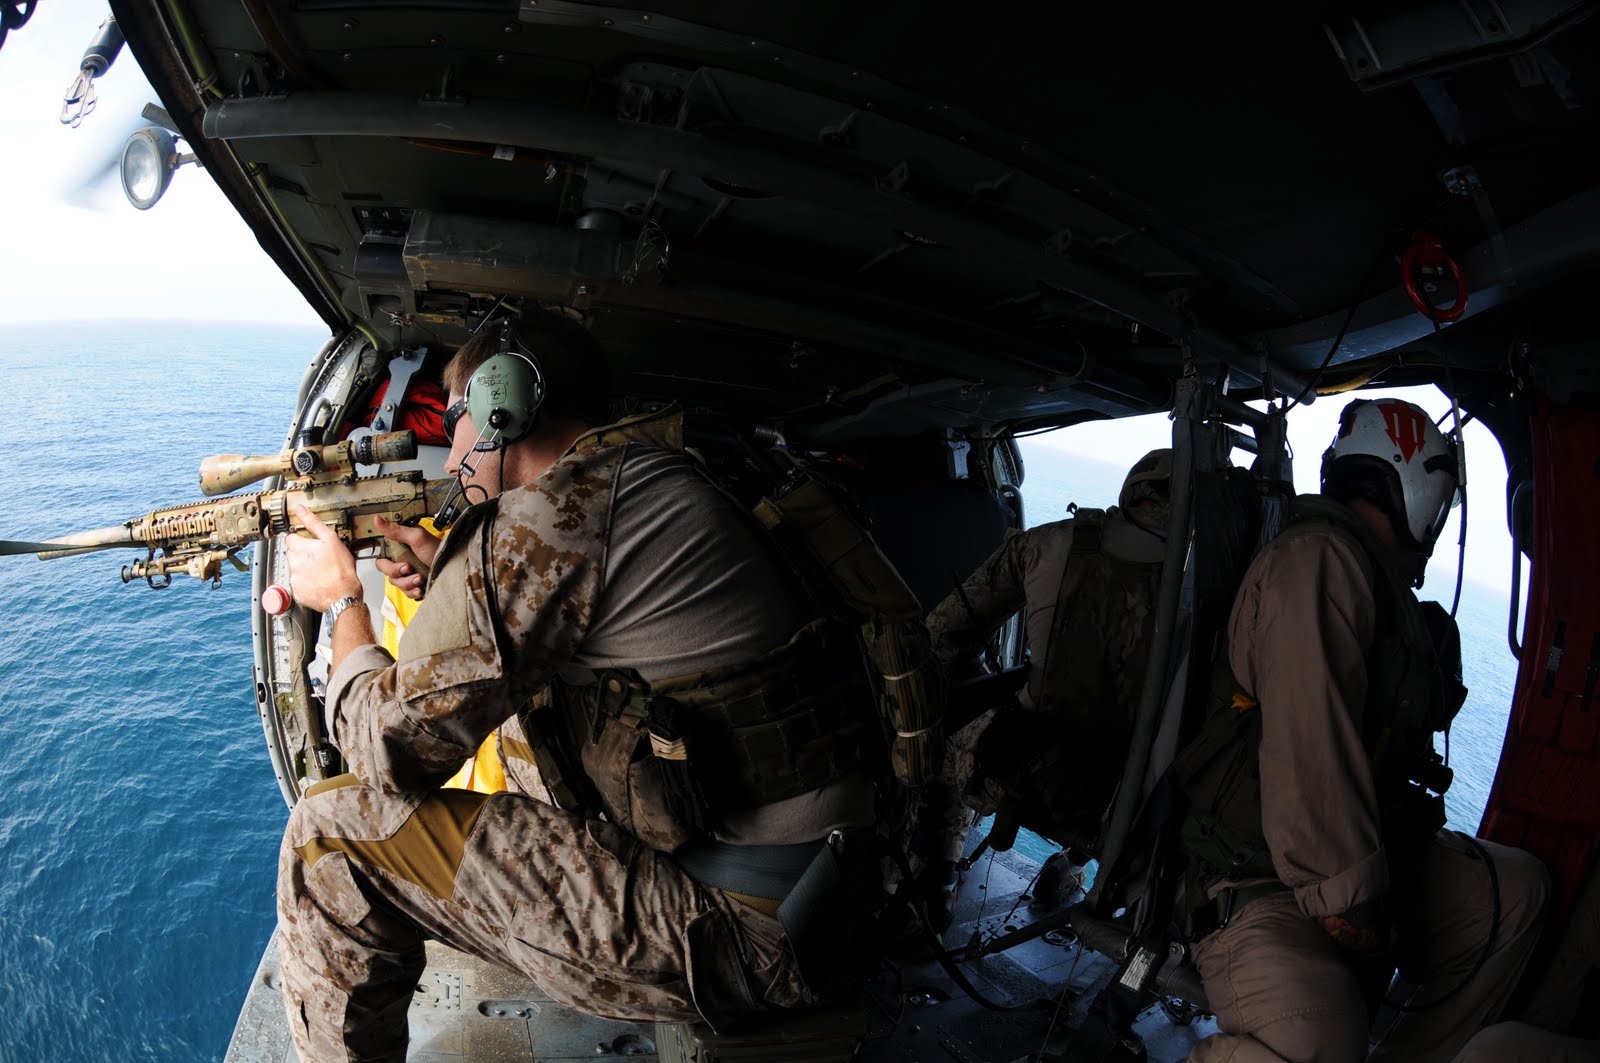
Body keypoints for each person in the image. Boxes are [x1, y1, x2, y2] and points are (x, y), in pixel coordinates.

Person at [275, 314, 887, 1061]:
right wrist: (447, 579)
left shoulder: (554, 513)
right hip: (817, 895)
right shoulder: (645, 477)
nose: (454, 453)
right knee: (514, 724)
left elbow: (385, 748)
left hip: (743, 938)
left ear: (501, 408)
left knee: (325, 837)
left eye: (457, 418)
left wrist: (343, 602)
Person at [1173, 397, 1550, 1063]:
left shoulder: (1363, 576)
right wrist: (1358, 910)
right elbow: (1309, 771)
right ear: (1422, 497)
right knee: (1317, 1038)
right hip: (1250, 879)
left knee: (1514, 896)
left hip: (1354, 854)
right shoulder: (1318, 564)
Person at [921, 450, 1171, 919]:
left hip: (1015, 775)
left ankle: (942, 871)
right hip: (1124, 806)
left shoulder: (1050, 541)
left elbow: (940, 635)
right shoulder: (1205, 585)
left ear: (1134, 491)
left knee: (935, 737)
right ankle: (1071, 866)